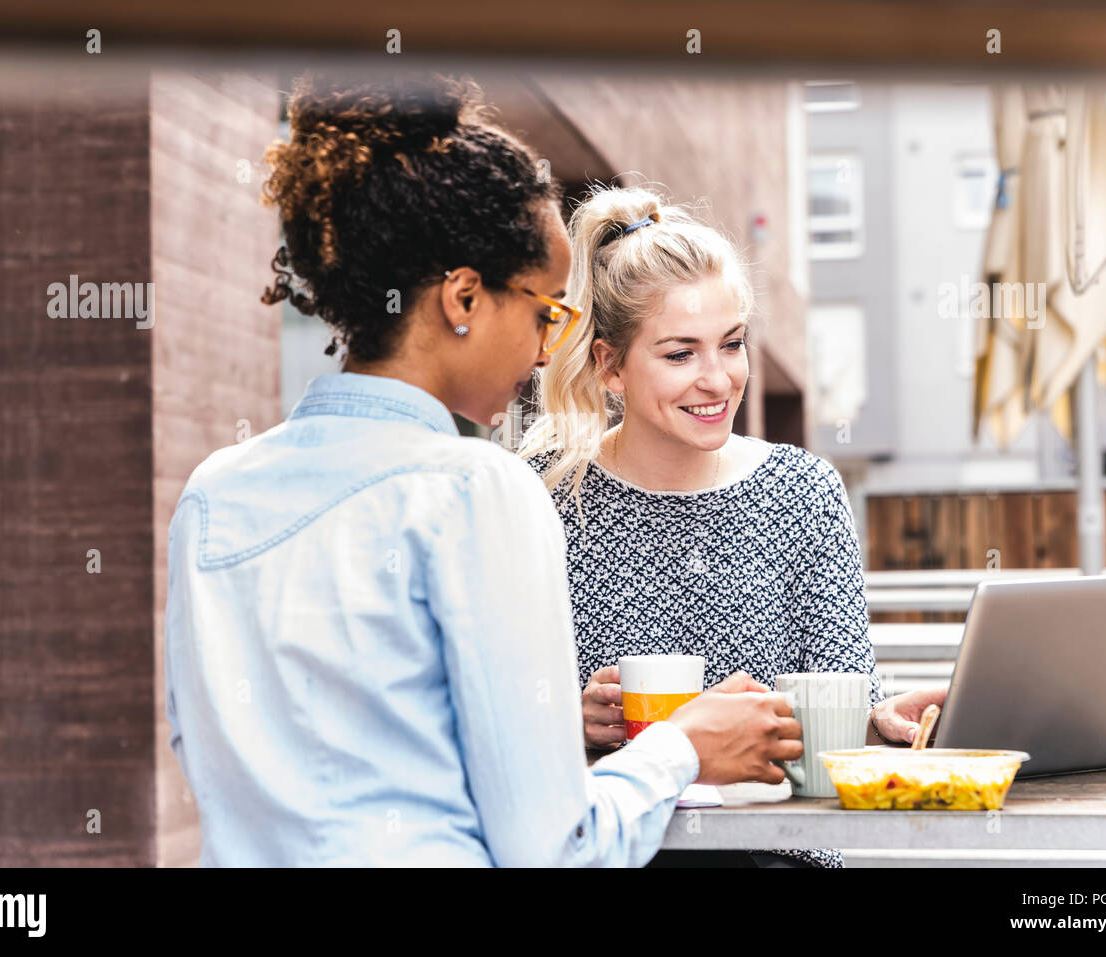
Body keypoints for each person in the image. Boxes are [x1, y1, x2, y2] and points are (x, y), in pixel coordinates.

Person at [164, 73, 805, 867]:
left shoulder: (212, 495)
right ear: (464, 299)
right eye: (544, 311)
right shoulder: (477, 490)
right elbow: (556, 848)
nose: (546, 350)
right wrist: (682, 745)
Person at [519, 184, 947, 867]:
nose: (717, 379)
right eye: (680, 353)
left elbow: (842, 707)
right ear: (609, 365)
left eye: (732, 344)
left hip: (777, 855)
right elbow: (500, 721)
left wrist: (880, 718)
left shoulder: (803, 490)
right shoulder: (541, 492)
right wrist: (570, 719)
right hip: (616, 848)